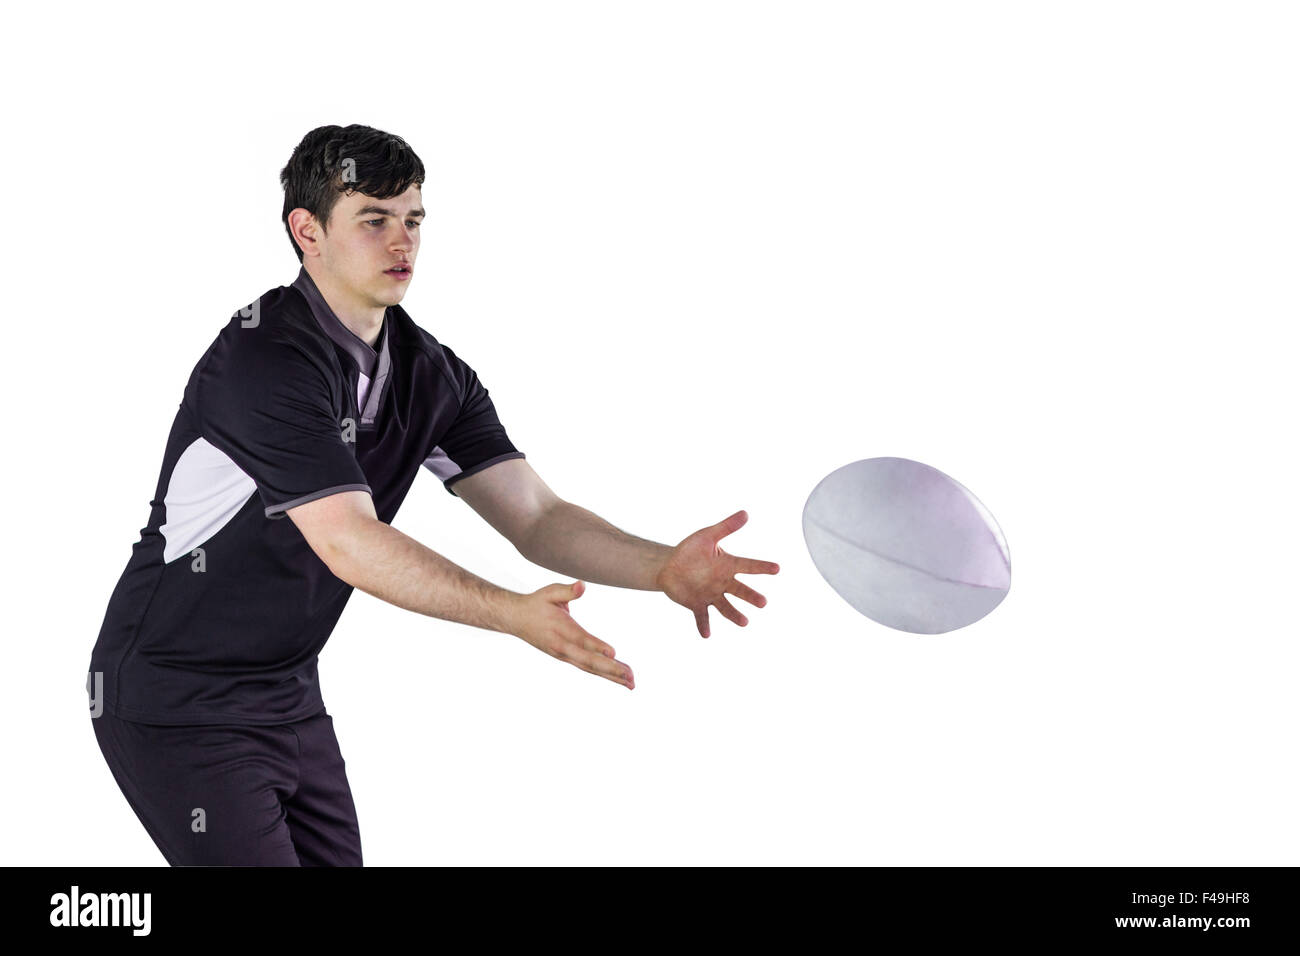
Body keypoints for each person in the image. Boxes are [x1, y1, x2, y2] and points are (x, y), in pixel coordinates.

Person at [86, 124, 779, 866]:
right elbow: (350, 541)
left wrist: (661, 566)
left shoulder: (429, 371)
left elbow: (537, 517)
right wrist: (510, 613)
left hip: (289, 695)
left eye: (413, 219)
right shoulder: (262, 359)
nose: (401, 243)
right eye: (374, 220)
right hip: (174, 698)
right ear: (307, 231)